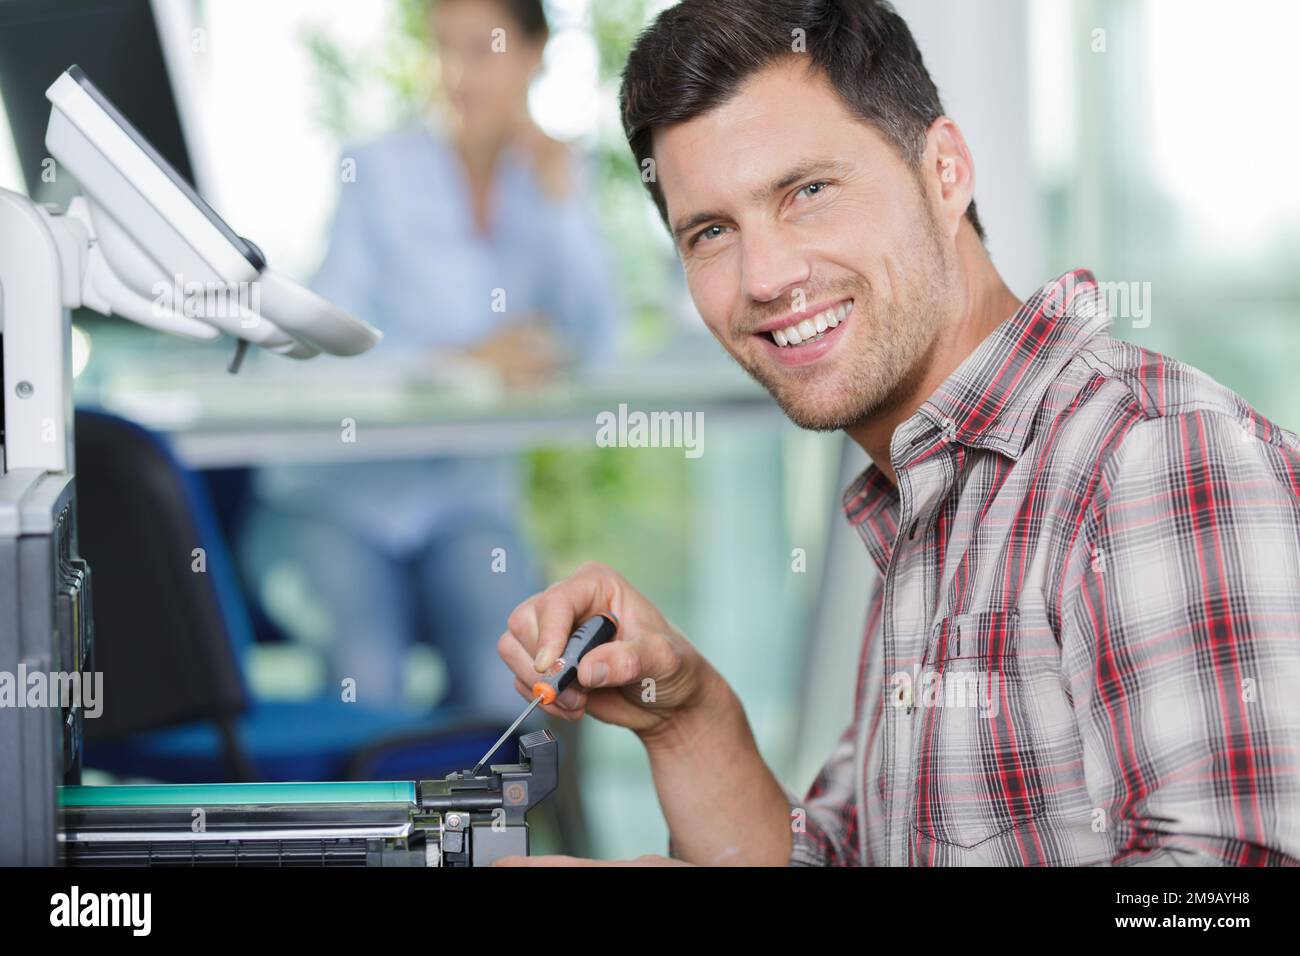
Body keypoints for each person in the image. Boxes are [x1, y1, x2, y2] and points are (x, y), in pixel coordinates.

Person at [494, 0, 1300, 865]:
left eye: (807, 191)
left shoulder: (1153, 458)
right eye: (712, 231)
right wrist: (688, 716)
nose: (766, 277)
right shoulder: (930, 500)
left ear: (946, 170)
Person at [239, 0, 617, 720]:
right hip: (338, 500)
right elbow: (323, 349)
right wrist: (466, 361)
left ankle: (493, 836)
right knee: (367, 676)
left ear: (534, 55)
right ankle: (364, 836)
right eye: (444, 48)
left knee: (512, 682)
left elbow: (594, 343)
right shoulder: (375, 170)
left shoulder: (553, 180)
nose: (456, 74)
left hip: (463, 504)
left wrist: (564, 202)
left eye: (483, 49)